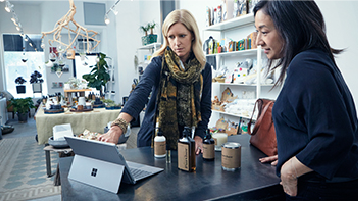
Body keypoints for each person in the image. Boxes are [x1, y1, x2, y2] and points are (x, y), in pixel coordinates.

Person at [253, 1, 358, 200]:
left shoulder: (306, 65)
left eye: (264, 32)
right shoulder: (316, 60)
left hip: (320, 190)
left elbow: (335, 136)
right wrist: (295, 152)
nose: (258, 41)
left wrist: (290, 170)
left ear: (290, 27)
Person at [99, 9, 212, 154]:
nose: (177, 42)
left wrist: (199, 137)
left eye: (182, 35)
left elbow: (205, 106)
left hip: (188, 141)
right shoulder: (158, 63)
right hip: (152, 139)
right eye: (171, 37)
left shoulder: (204, 68)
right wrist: (117, 128)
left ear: (193, 36)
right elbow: (141, 91)